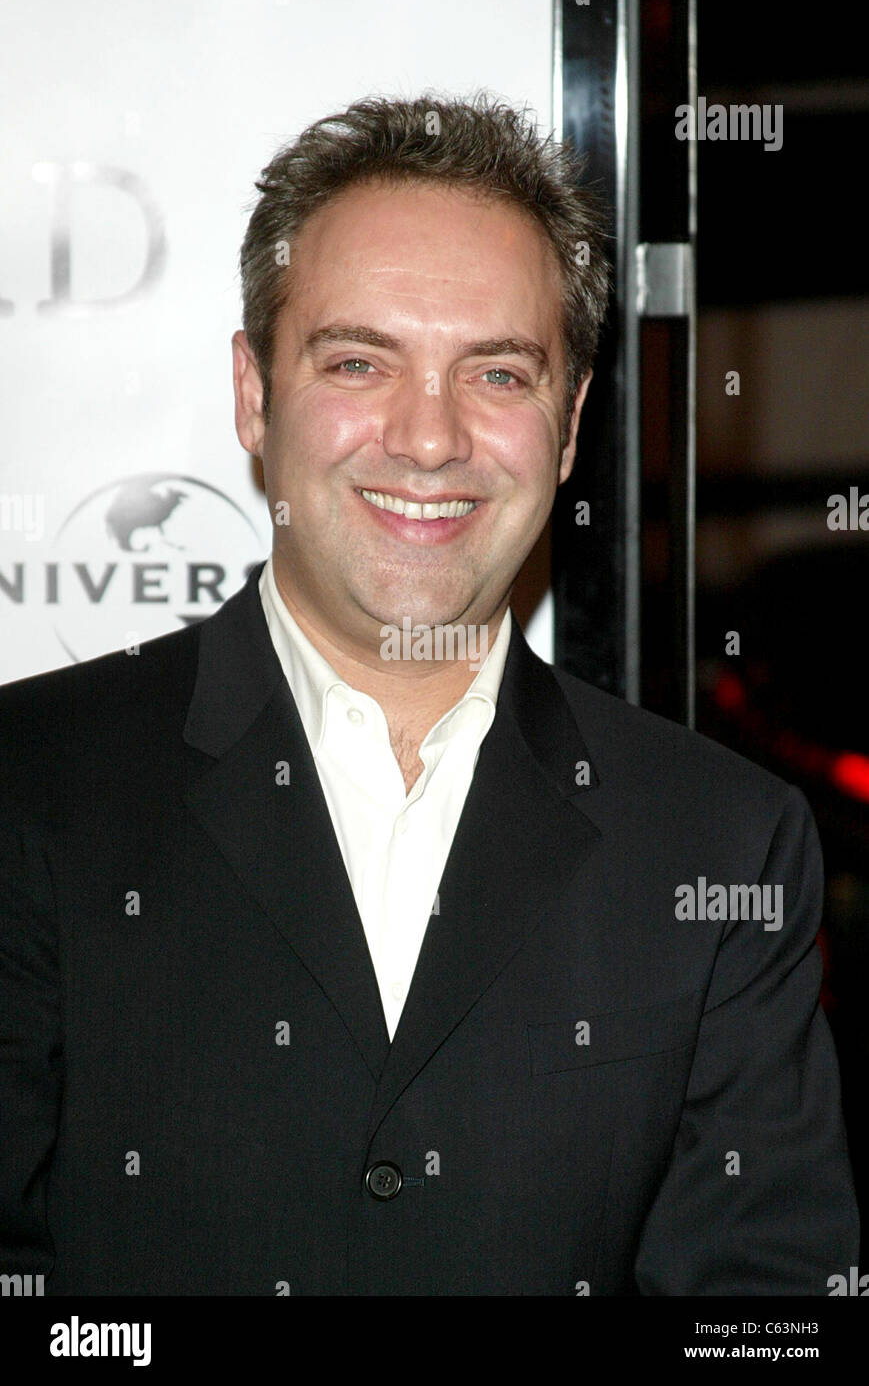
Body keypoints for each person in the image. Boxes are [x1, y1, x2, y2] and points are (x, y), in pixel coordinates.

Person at [0, 94, 858, 1295]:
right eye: (358, 361)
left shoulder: (722, 843)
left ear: (567, 425)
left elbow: (759, 1304)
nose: (427, 437)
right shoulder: (29, 785)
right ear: (253, 393)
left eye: (497, 374)